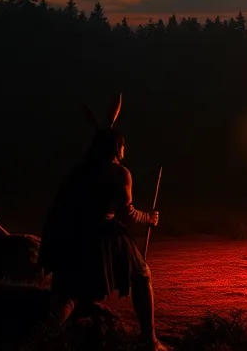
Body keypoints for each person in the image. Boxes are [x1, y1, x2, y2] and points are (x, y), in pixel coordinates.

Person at [38, 94, 167, 351]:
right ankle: (149, 340)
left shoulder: (80, 169)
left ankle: (41, 340)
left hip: (68, 232)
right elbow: (127, 214)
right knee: (142, 275)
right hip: (100, 234)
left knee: (68, 290)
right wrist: (149, 218)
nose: (125, 151)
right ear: (117, 148)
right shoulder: (120, 173)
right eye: (123, 146)